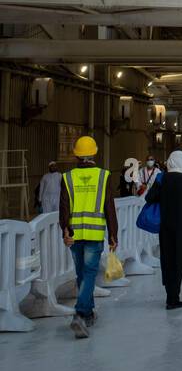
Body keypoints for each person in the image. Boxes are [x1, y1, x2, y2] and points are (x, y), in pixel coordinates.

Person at [59, 136, 118, 339]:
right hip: (93, 233)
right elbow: (109, 207)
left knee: (82, 274)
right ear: (94, 153)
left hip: (75, 234)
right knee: (90, 273)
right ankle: (80, 313)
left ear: (75, 154)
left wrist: (65, 230)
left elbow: (64, 207)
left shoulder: (67, 177)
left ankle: (89, 312)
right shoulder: (103, 175)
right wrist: (113, 234)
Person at [145, 149, 182, 309]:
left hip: (165, 223)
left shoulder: (162, 178)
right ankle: (174, 297)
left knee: (167, 256)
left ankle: (169, 293)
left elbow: (149, 198)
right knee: (179, 258)